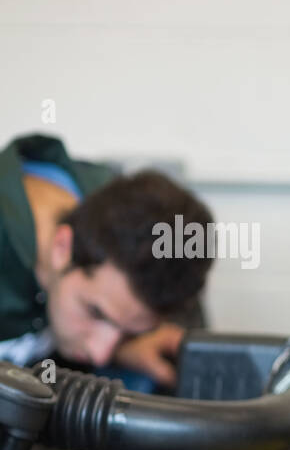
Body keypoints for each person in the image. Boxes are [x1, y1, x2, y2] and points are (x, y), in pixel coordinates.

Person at [0, 133, 214, 387]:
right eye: (95, 312)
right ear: (62, 246)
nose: (100, 354)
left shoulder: (131, 217)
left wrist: (129, 346)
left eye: (128, 331)